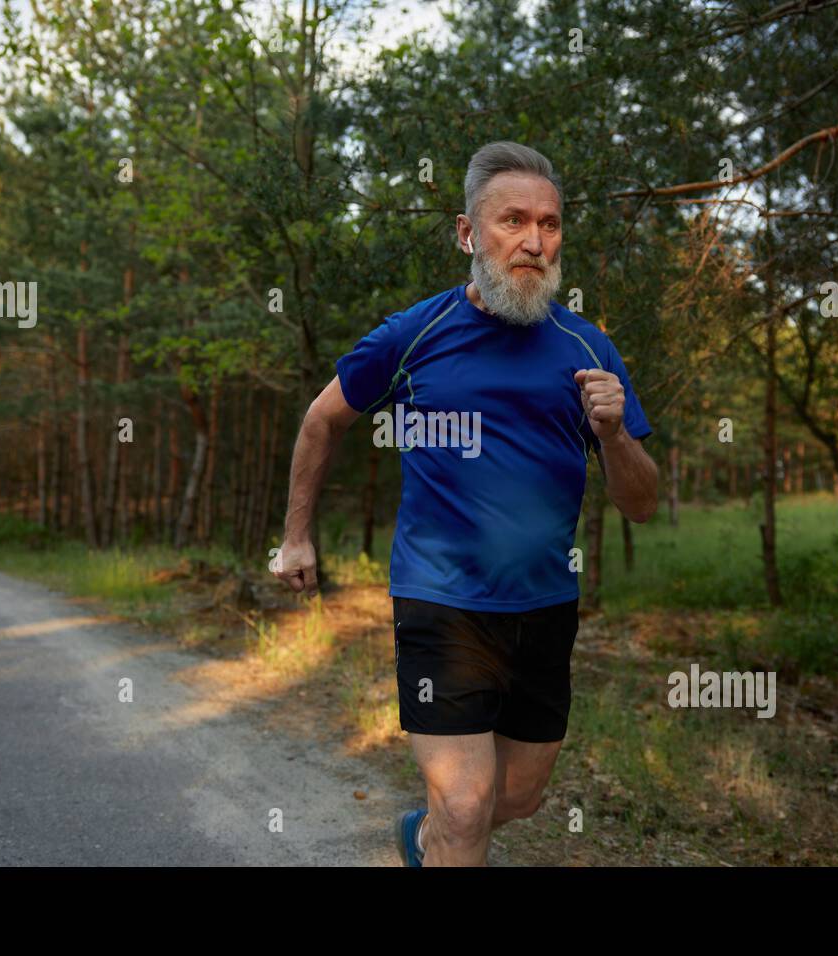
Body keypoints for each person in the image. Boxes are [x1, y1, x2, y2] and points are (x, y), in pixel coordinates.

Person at [271, 141, 659, 866]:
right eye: (513, 220)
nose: (535, 241)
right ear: (467, 233)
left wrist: (613, 435)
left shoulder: (588, 347)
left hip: (544, 606)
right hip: (440, 601)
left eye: (550, 224)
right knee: (468, 802)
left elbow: (640, 504)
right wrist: (298, 536)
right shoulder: (414, 335)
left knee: (517, 799)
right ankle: (447, 828)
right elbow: (323, 419)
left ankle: (426, 839)